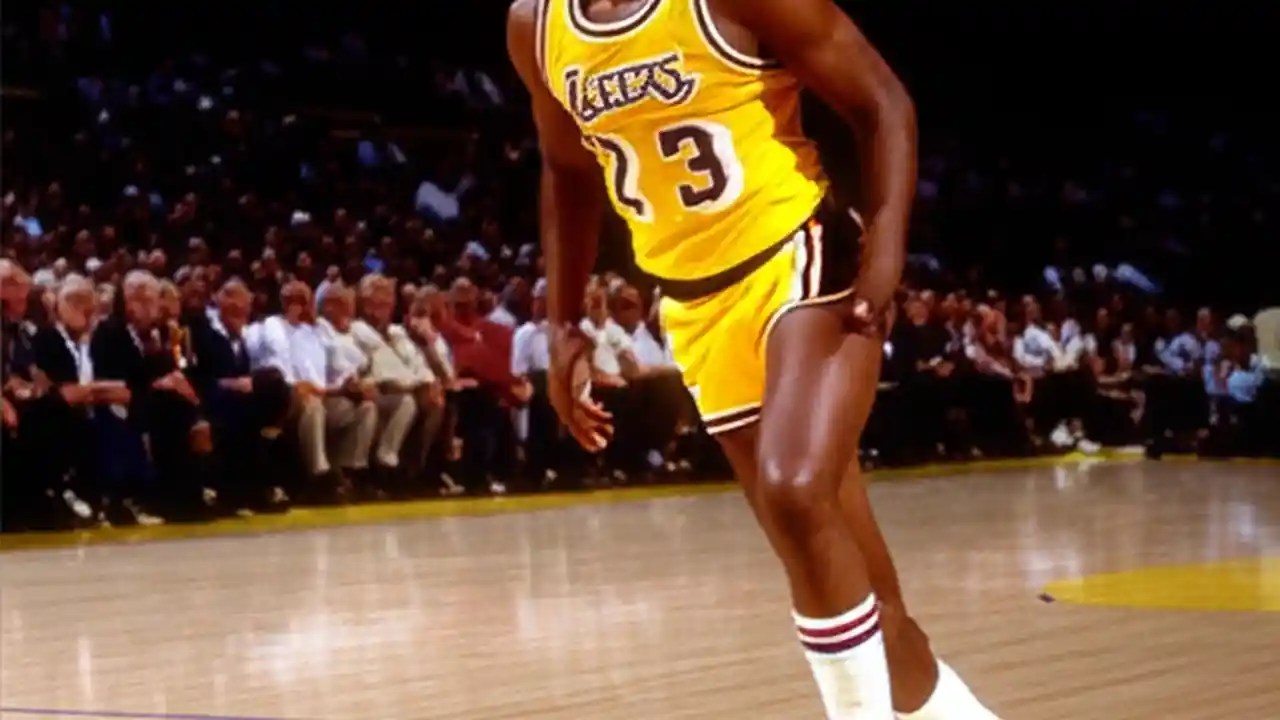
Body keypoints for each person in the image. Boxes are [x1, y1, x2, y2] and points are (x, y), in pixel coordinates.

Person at [509, 1, 997, 718]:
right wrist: (563, 324)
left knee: (794, 490)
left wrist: (887, 247)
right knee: (867, 603)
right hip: (695, 309)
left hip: (799, 259)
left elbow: (881, 100)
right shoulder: (536, 23)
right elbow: (566, 170)